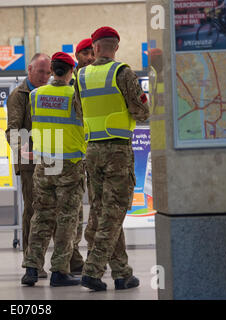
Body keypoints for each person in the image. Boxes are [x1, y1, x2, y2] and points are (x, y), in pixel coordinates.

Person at [75, 26, 150, 291]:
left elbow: (77, 111)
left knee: (102, 211)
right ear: (116, 47)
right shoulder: (123, 73)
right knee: (114, 211)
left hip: (92, 150)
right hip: (117, 149)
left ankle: (122, 272)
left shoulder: (81, 75)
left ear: (94, 47)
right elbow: (142, 112)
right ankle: (93, 269)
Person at [21, 52, 86, 287]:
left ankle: (31, 267)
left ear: (51, 71)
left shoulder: (36, 95)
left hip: (45, 163)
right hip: (69, 163)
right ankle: (60, 270)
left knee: (41, 216)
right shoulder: (75, 96)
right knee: (67, 218)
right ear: (71, 71)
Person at [5, 53, 51, 279]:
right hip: (30, 163)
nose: (45, 76)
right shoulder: (19, 95)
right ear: (30, 70)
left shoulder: (49, 94)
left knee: (54, 212)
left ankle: (64, 260)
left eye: (48, 72)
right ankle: (31, 261)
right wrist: (24, 152)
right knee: (33, 211)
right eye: (41, 71)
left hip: (52, 160)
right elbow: (13, 130)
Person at [69, 38, 96, 275]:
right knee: (74, 210)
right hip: (74, 155)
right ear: (77, 56)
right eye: (85, 54)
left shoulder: (99, 80)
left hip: (97, 153)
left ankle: (97, 257)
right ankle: (74, 258)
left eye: (92, 53)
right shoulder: (69, 82)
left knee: (99, 207)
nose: (89, 58)